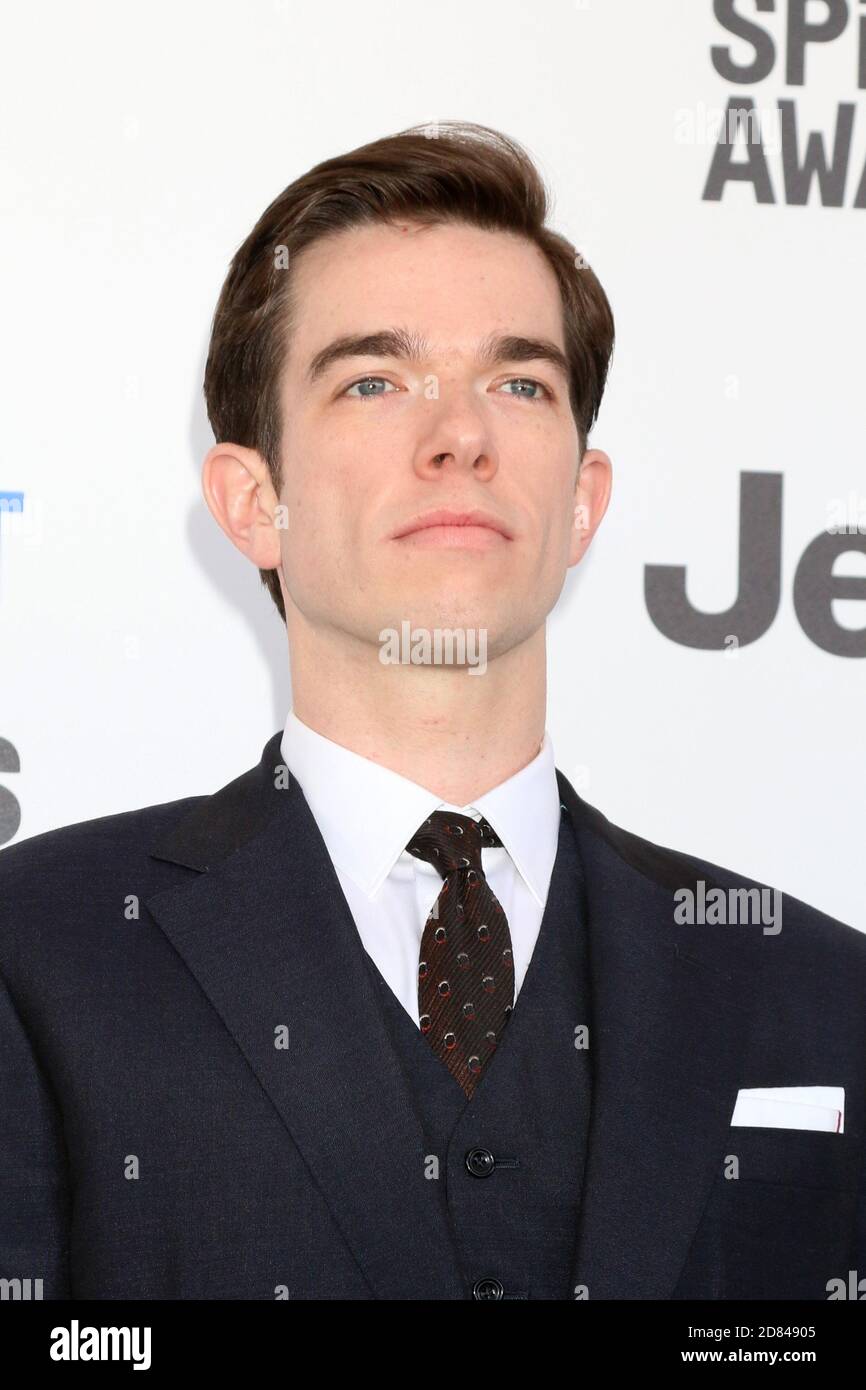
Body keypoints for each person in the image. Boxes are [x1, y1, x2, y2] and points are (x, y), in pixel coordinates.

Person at [1, 122, 863, 1302]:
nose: (460, 435)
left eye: (517, 382)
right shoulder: (37, 951)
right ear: (254, 502)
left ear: (580, 500)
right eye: (374, 380)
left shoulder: (813, 982)